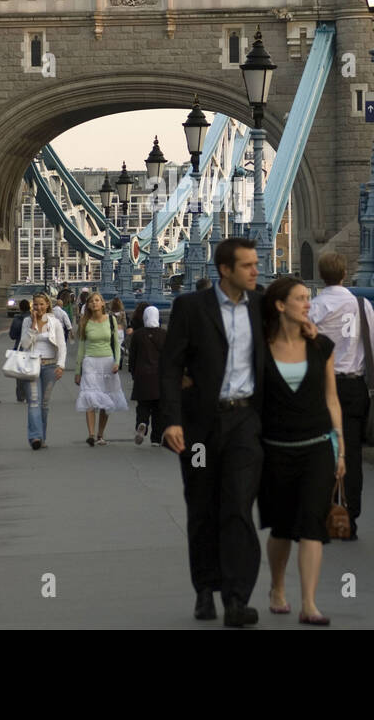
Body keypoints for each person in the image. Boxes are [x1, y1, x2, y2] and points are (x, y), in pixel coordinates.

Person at [160, 238, 268, 628]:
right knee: (202, 506)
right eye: (248, 266)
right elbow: (171, 368)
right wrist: (171, 421)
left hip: (243, 423)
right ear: (225, 270)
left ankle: (236, 598)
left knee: (239, 507)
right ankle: (205, 589)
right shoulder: (191, 308)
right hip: (201, 428)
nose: (256, 271)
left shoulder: (262, 306)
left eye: (256, 264)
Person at [258, 276, 344, 625]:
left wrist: (341, 450)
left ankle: (309, 603)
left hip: (317, 448)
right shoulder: (259, 350)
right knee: (281, 528)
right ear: (280, 305)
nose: (308, 304)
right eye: (300, 298)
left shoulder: (321, 346)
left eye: (309, 297)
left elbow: (331, 399)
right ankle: (277, 587)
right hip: (274, 450)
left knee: (312, 525)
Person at [308, 253, 374, 541]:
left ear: (321, 274)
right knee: (351, 454)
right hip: (353, 388)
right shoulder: (362, 305)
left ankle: (325, 513)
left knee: (322, 453)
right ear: (345, 272)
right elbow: (373, 348)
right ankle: (350, 516)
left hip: (321, 388)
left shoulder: (314, 307)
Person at [74, 292, 128, 445]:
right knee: (90, 397)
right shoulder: (85, 322)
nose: (94, 303)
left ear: (103, 303)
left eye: (97, 300)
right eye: (91, 301)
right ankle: (91, 434)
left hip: (107, 362)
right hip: (90, 362)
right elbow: (81, 348)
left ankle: (100, 434)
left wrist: (117, 362)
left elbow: (117, 345)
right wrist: (78, 371)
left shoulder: (111, 320)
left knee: (106, 397)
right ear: (88, 305)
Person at [18, 293, 66, 450]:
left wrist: (61, 365)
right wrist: (33, 326)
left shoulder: (55, 322)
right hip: (32, 366)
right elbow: (24, 344)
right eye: (35, 304)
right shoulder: (27, 321)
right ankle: (35, 437)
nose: (38, 307)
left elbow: (62, 345)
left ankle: (42, 437)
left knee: (44, 404)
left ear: (47, 305)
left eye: (41, 304)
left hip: (50, 366)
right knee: (33, 401)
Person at [128, 304, 167, 445]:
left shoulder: (138, 334)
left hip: (142, 375)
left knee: (143, 405)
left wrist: (133, 372)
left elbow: (133, 356)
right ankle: (156, 438)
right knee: (158, 409)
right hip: (159, 376)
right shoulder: (164, 335)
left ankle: (142, 424)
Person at [8, 299, 31, 401]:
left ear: (20, 308)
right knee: (31, 372)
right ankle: (30, 393)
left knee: (20, 374)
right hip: (31, 348)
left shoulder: (17, 319)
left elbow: (12, 336)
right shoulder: (33, 318)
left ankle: (21, 396)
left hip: (19, 348)